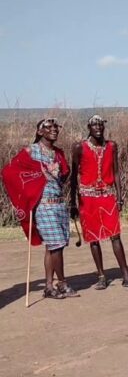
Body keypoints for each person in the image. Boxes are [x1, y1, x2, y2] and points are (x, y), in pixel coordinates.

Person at [1, 118, 78, 299]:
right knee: (57, 245)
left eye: (56, 127)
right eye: (48, 127)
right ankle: (63, 284)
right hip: (43, 205)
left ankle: (49, 287)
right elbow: (9, 171)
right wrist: (33, 185)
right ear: (40, 132)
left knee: (53, 247)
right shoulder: (31, 151)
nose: (54, 130)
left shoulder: (58, 153)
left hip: (59, 204)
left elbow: (64, 175)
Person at [69, 115, 128, 290]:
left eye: (100, 125)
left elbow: (116, 172)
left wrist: (120, 196)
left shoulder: (112, 146)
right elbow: (73, 177)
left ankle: (126, 276)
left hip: (108, 196)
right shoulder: (79, 147)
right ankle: (101, 276)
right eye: (94, 125)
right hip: (87, 197)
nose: (98, 127)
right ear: (88, 127)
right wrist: (72, 203)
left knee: (115, 235)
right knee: (93, 238)